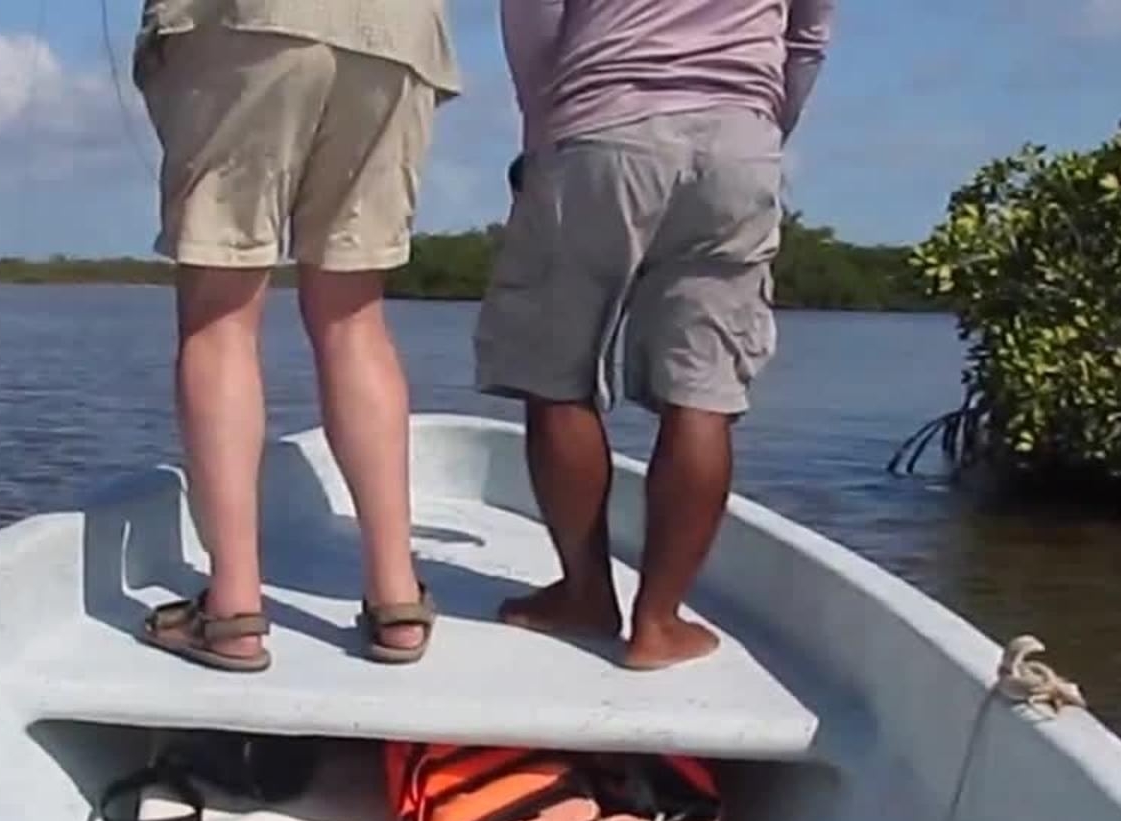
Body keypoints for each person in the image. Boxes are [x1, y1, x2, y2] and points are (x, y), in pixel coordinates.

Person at [477, 0, 834, 671]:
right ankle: (658, 623)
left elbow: (533, 16)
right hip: (742, 141)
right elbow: (808, 36)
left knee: (556, 377)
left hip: (601, 125)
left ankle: (585, 595)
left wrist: (543, 132)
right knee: (702, 391)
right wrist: (759, 129)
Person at [131, 0, 461, 673]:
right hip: (396, 36)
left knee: (220, 314)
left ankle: (232, 612)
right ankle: (396, 601)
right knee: (354, 316)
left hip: (251, 23)